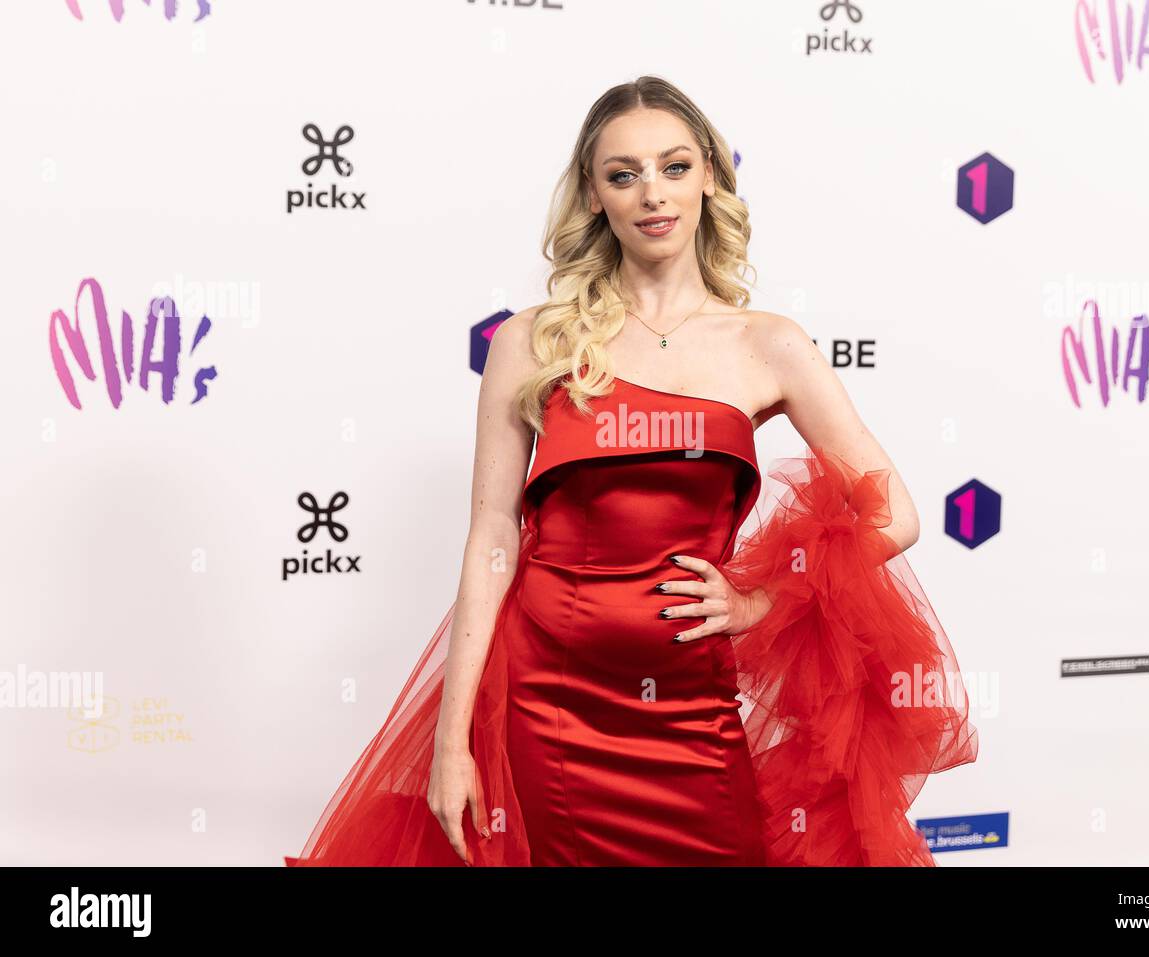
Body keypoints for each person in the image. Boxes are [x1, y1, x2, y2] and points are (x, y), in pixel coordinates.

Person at [285, 75, 978, 868]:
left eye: (674, 166)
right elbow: (490, 540)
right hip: (548, 704)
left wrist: (760, 599)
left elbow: (896, 513)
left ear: (710, 175)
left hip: (690, 704)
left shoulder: (769, 343)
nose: (653, 192)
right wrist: (452, 744)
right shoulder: (530, 341)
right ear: (593, 195)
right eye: (624, 174)